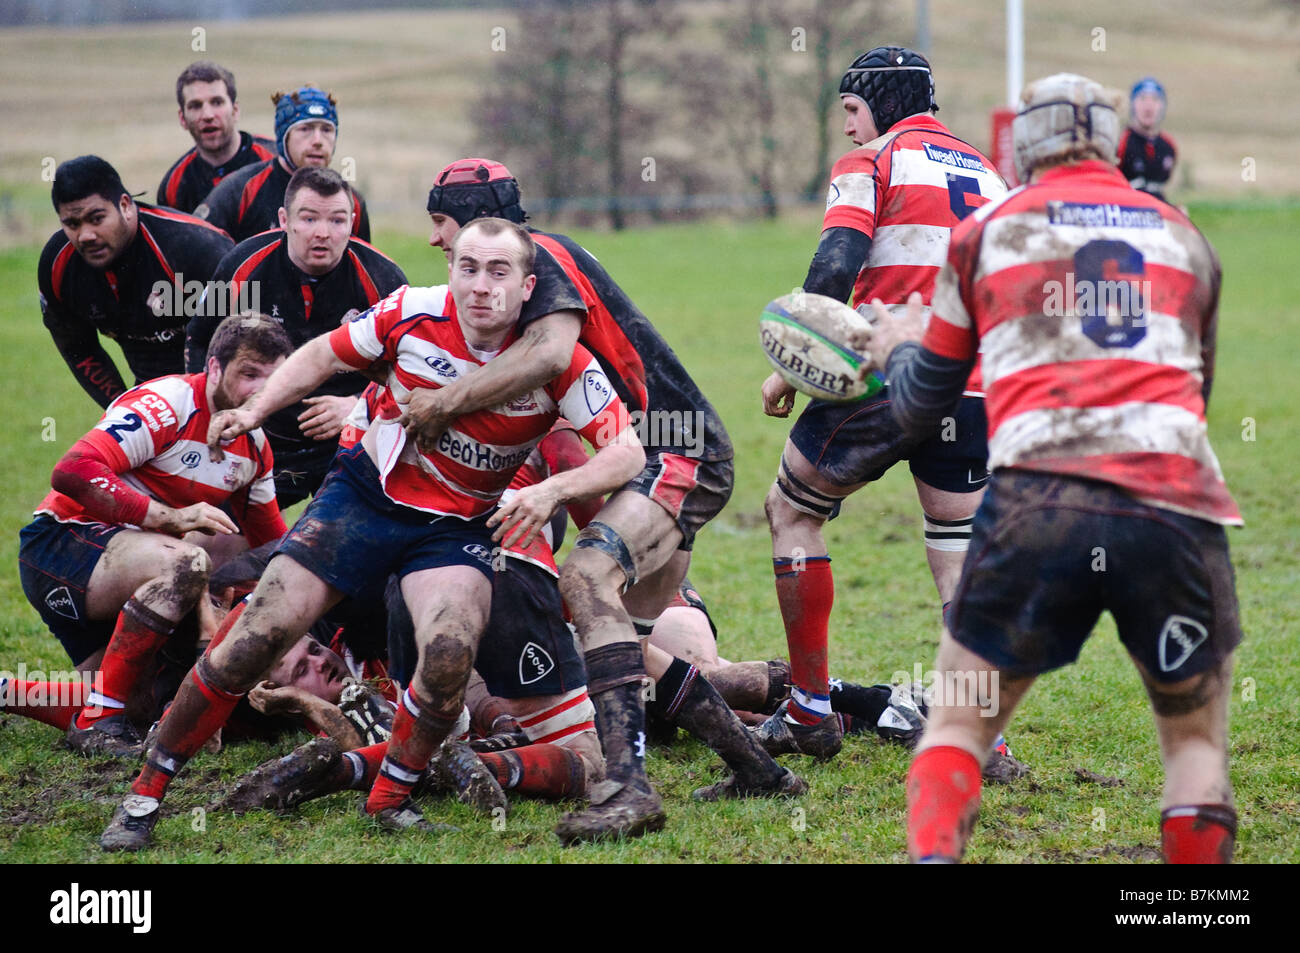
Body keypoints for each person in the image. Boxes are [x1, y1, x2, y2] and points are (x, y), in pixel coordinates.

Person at [99, 217, 646, 850]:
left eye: (499, 273)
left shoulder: (557, 362)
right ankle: (143, 798)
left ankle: (390, 797)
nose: (480, 286)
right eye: (468, 268)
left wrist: (548, 491)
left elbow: (625, 452)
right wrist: (254, 409)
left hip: (456, 528)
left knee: (447, 655)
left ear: (528, 288)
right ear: (451, 272)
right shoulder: (411, 314)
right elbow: (323, 354)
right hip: (365, 499)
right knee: (253, 637)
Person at [861, 73, 1242, 863]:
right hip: (1175, 504)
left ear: (1021, 145)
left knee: (959, 723)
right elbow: (1195, 396)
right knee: (1194, 748)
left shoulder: (987, 231)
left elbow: (922, 401)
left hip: (1037, 502)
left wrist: (894, 343)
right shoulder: (1185, 235)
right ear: (1111, 141)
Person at [407, 159, 805, 844]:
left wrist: (442, 407)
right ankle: (760, 769)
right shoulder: (509, 278)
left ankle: (628, 788)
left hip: (674, 453)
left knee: (586, 579)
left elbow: (550, 353)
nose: (440, 244)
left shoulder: (543, 260)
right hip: (645, 458)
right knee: (620, 641)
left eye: (444, 226)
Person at [752, 47, 1019, 776]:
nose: (846, 128)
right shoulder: (990, 175)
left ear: (878, 101)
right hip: (971, 381)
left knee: (793, 510)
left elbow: (836, 263)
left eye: (849, 109)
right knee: (959, 552)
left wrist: (790, 368)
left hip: (880, 376)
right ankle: (981, 738)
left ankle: (809, 706)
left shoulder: (874, 160)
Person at [17, 313, 293, 756]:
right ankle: (98, 723)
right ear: (215, 368)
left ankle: (10, 691)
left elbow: (271, 546)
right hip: (61, 547)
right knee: (188, 561)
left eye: (274, 378)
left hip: (134, 575)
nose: (260, 390)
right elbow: (72, 470)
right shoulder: (168, 403)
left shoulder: (255, 447)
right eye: (249, 374)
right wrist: (168, 517)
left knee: (141, 701)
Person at [187, 166, 407, 505]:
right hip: (264, 436)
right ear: (283, 219)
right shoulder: (241, 266)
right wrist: (216, 412)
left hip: (350, 439)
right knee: (214, 541)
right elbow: (200, 339)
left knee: (348, 550)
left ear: (352, 221)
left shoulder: (384, 280)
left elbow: (412, 371)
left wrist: (357, 406)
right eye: (308, 219)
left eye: (337, 221)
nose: (322, 233)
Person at [38, 156, 234, 407]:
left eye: (97, 218)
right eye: (72, 224)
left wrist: (214, 408)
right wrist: (123, 408)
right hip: (151, 398)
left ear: (125, 205)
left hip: (224, 392)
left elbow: (252, 336)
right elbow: (78, 348)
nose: (86, 235)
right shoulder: (57, 266)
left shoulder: (197, 248)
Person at [195, 85, 370, 243]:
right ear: (283, 138)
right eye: (305, 129)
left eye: (326, 130)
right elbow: (200, 251)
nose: (318, 141)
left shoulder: (350, 202)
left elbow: (362, 270)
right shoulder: (241, 191)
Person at [157, 61, 276, 214]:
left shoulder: (275, 161)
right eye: (195, 105)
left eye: (217, 102)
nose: (207, 115)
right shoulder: (173, 187)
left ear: (235, 110)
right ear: (182, 118)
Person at [1118, 77, 1177, 200]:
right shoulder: (1122, 143)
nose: (1148, 106)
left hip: (1158, 207)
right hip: (1129, 208)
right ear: (1132, 104)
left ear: (1162, 106)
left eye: (1155, 99)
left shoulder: (1168, 146)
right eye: (1142, 99)